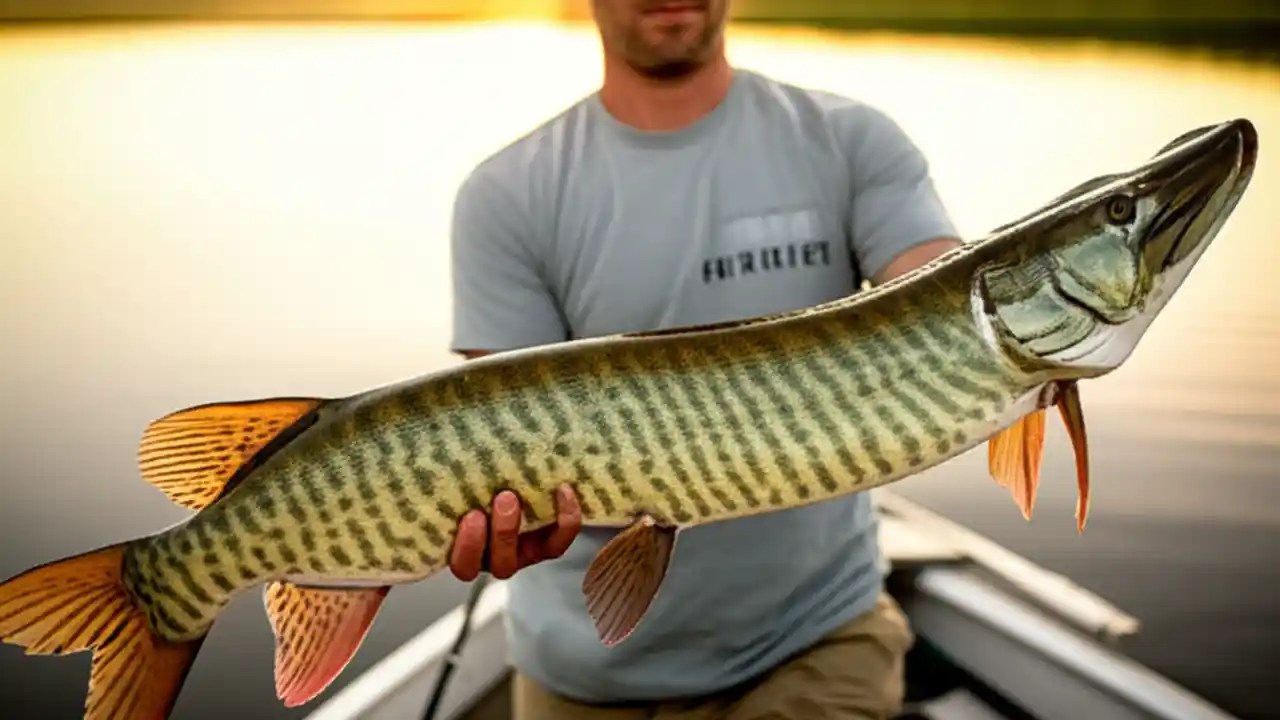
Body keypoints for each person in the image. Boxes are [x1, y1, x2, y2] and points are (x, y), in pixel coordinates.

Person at [446, 1, 962, 717]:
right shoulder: (507, 194)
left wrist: (1014, 335)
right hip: (580, 669)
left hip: (813, 644)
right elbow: (498, 441)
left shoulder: (849, 140)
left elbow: (942, 300)